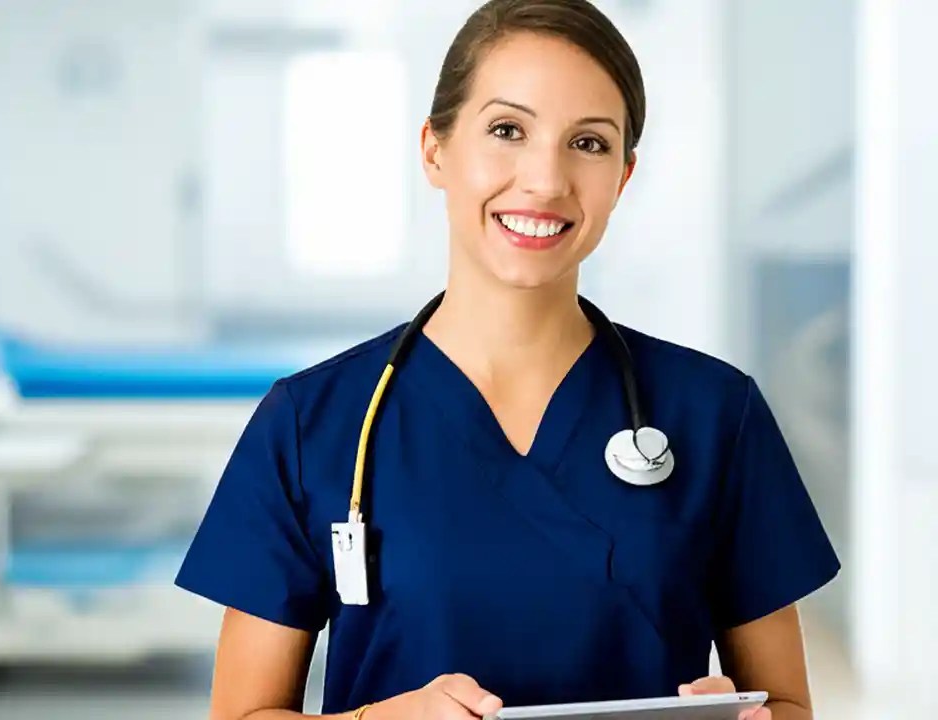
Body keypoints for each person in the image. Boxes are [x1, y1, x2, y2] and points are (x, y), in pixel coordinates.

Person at [174, 1, 840, 718]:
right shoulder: (312, 425)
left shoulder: (715, 416)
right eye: (507, 130)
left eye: (588, 143)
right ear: (435, 149)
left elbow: (789, 705)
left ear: (623, 175)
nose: (546, 180)